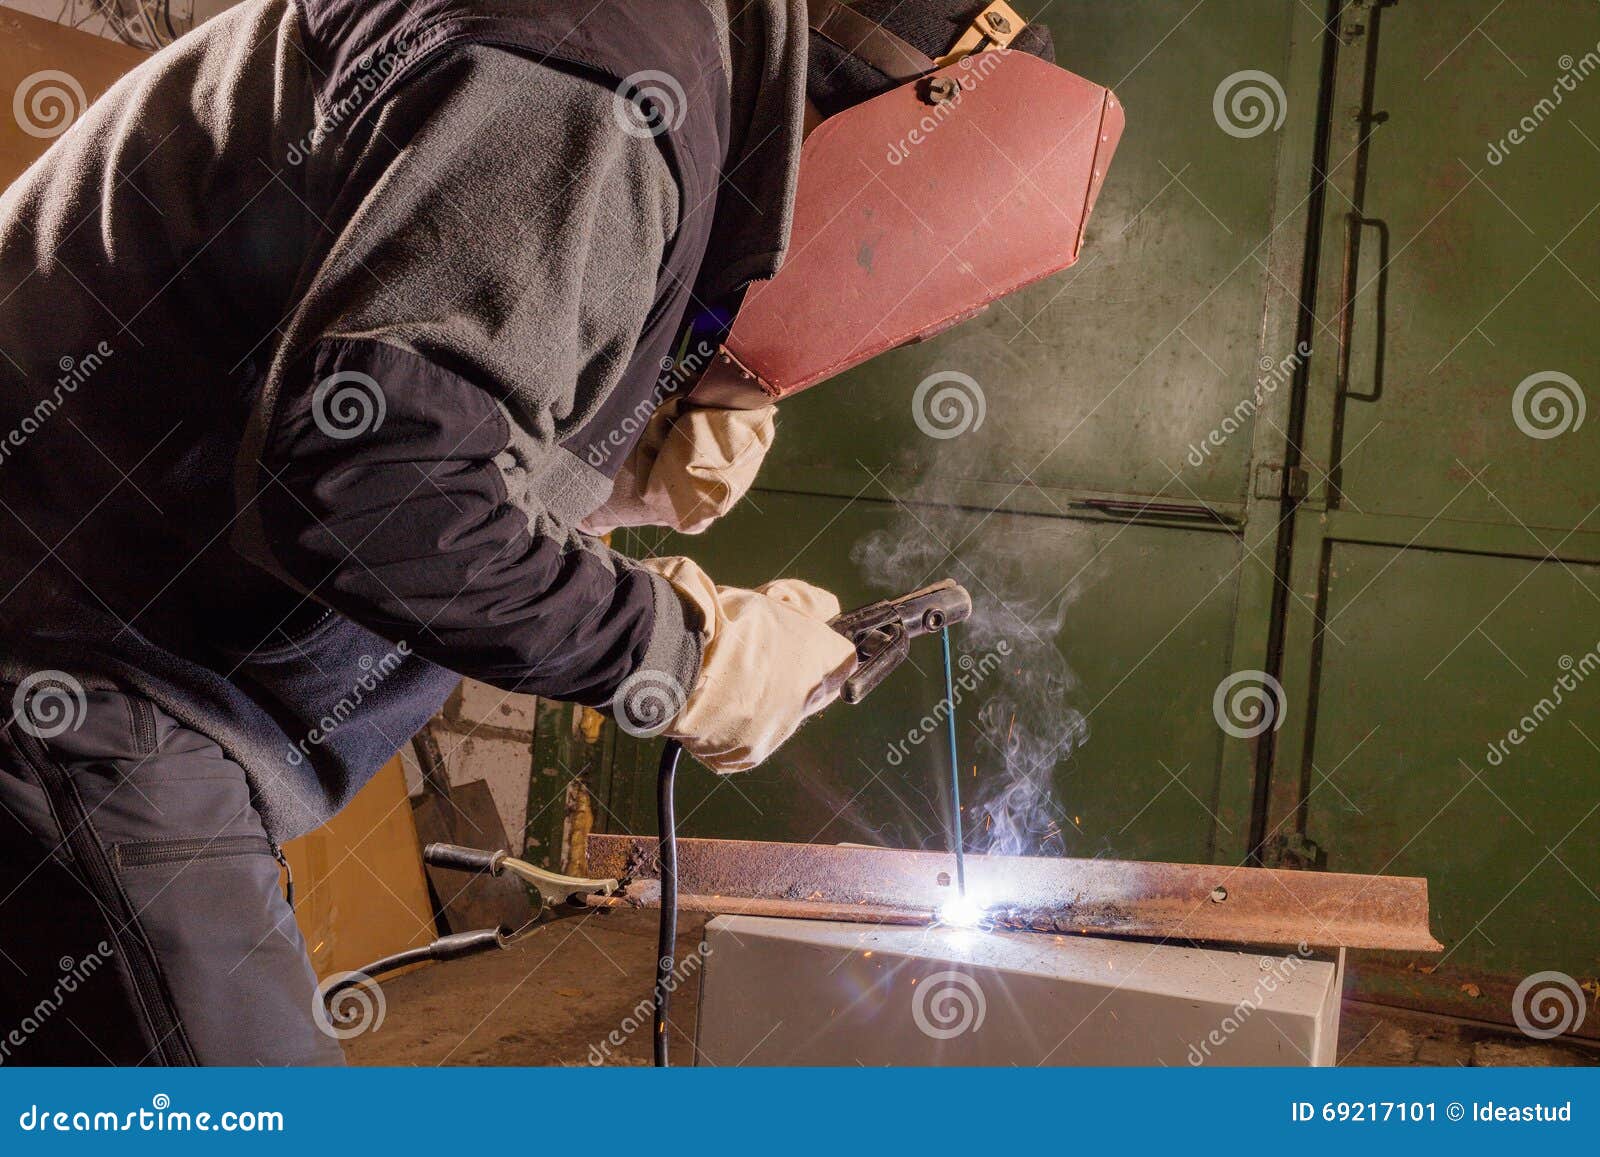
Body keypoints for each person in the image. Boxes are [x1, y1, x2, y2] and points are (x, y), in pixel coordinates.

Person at [0, 0, 1055, 1064]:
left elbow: (383, 410)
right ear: (903, 105)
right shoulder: (601, 80)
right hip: (84, 663)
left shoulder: (647, 62)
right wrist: (686, 652)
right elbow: (381, 489)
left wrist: (601, 473)